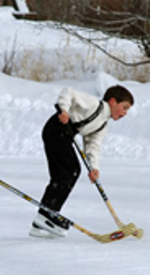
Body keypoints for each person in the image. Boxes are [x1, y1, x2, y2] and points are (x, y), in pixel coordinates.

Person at [29, 85, 134, 239]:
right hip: (56, 129)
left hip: (63, 136)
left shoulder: (102, 124)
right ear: (112, 102)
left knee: (61, 175)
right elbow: (68, 92)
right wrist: (64, 110)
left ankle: (43, 218)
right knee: (70, 170)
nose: (125, 113)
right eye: (124, 107)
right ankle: (48, 215)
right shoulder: (94, 105)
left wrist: (94, 168)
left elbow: (93, 146)